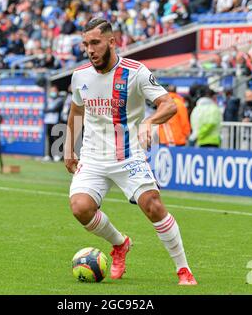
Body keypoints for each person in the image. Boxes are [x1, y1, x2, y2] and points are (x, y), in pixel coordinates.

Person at [64, 18, 197, 286]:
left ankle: (183, 270)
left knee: (153, 205)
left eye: (96, 43)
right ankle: (120, 244)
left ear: (112, 42)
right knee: (80, 208)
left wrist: (148, 122)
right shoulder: (80, 75)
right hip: (92, 157)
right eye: (86, 44)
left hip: (128, 156)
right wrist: (68, 148)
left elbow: (168, 105)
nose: (90, 50)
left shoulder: (135, 72)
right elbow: (77, 110)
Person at [43, 85, 64, 162]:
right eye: (51, 91)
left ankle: (57, 155)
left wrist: (49, 109)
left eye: (54, 91)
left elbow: (55, 109)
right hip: (48, 121)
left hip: (56, 121)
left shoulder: (60, 100)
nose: (53, 92)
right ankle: (49, 155)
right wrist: (49, 109)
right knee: (49, 139)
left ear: (57, 91)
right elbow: (45, 109)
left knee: (56, 139)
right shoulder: (48, 100)